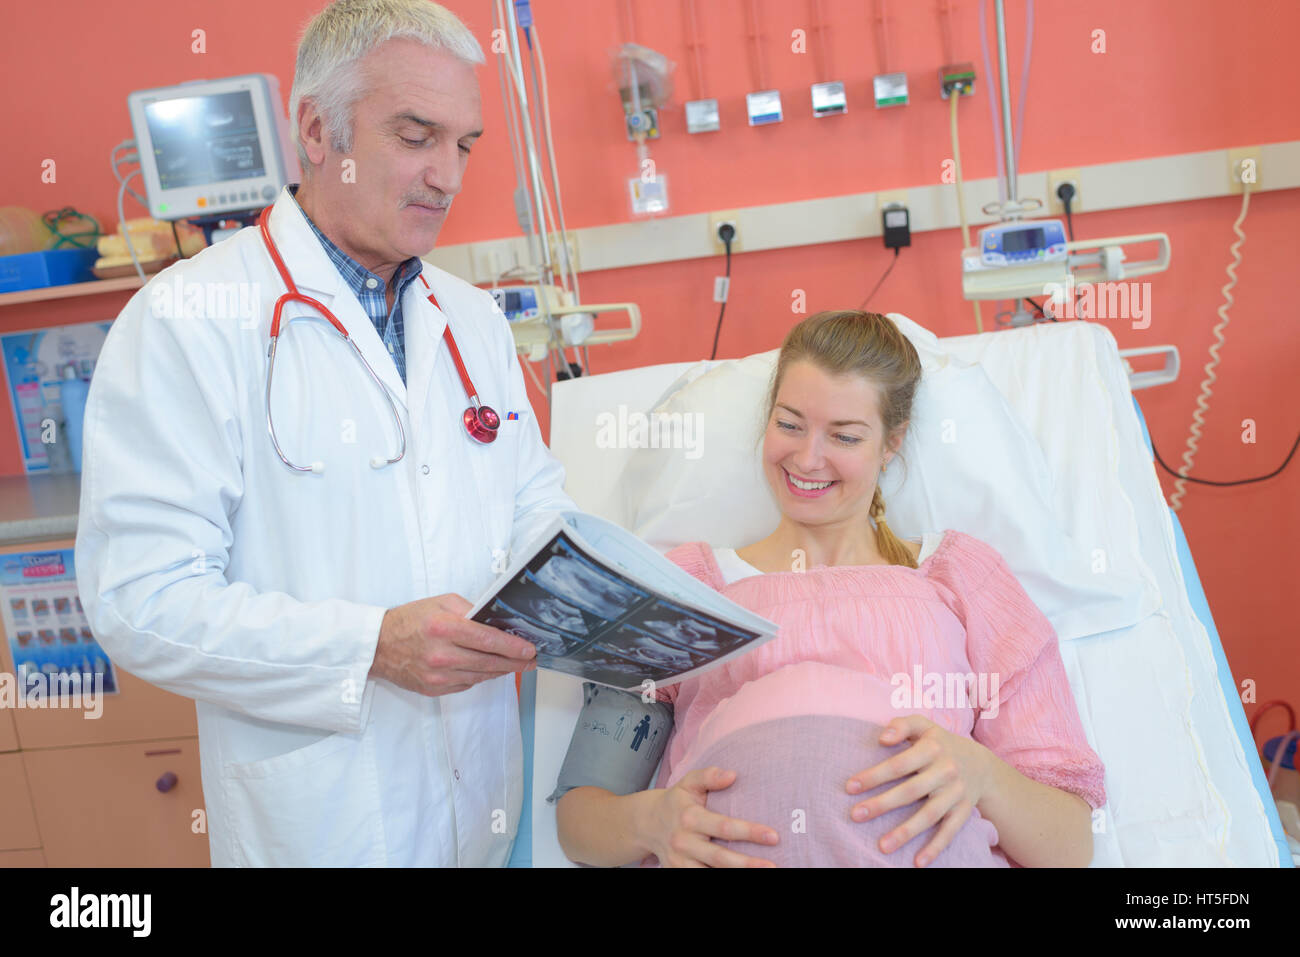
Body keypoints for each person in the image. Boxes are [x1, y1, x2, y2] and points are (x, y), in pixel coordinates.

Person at [74, 0, 575, 867]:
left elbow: (533, 502)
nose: (448, 176)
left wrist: (597, 589)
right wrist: (369, 645)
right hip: (324, 825)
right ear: (316, 130)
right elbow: (138, 599)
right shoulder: (188, 321)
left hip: (482, 811)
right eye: (417, 136)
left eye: (465, 144)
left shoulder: (471, 321)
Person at [552, 311, 1105, 868]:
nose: (808, 458)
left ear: (892, 443)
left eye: (843, 435)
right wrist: (650, 822)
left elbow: (1068, 848)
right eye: (790, 424)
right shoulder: (682, 587)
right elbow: (581, 824)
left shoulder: (961, 577)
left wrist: (985, 775)